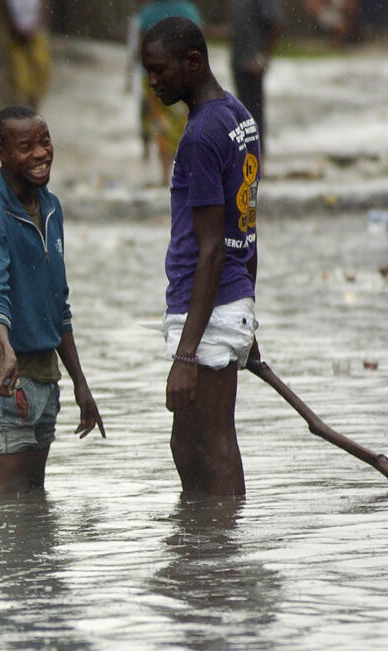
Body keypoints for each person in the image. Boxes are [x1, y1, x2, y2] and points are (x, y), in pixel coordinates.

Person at [141, 17, 261, 495]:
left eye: (159, 70)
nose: (152, 81)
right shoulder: (238, 116)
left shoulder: (200, 137)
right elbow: (246, 227)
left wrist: (186, 354)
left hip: (207, 306)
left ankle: (224, 534)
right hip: (226, 303)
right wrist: (247, 312)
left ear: (193, 63)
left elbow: (212, 249)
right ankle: (203, 538)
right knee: (189, 442)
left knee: (210, 442)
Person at [0, 106, 105, 496]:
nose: (41, 154)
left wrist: (80, 383)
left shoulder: (52, 207)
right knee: (13, 503)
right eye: (26, 147)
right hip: (0, 374)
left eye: (45, 142)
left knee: (34, 504)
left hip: (44, 373)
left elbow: (58, 305)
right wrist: (5, 350)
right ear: (1, 153)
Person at [126, 1, 202, 185]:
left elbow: (139, 46)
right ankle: (186, 171)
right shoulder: (188, 10)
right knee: (185, 124)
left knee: (161, 124)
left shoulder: (147, 14)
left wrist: (134, 72)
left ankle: (165, 174)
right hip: (182, 75)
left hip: (154, 77)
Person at [230, 0, 282, 155]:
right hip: (239, 63)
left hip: (252, 65)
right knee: (242, 114)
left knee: (253, 114)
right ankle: (247, 156)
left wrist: (261, 57)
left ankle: (258, 156)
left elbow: (276, 23)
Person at [1, 0, 51, 110]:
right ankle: (24, 104)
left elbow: (44, 9)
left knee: (40, 68)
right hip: (16, 37)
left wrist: (34, 28)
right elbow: (6, 13)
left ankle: (34, 102)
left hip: (36, 35)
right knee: (19, 76)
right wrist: (16, 30)